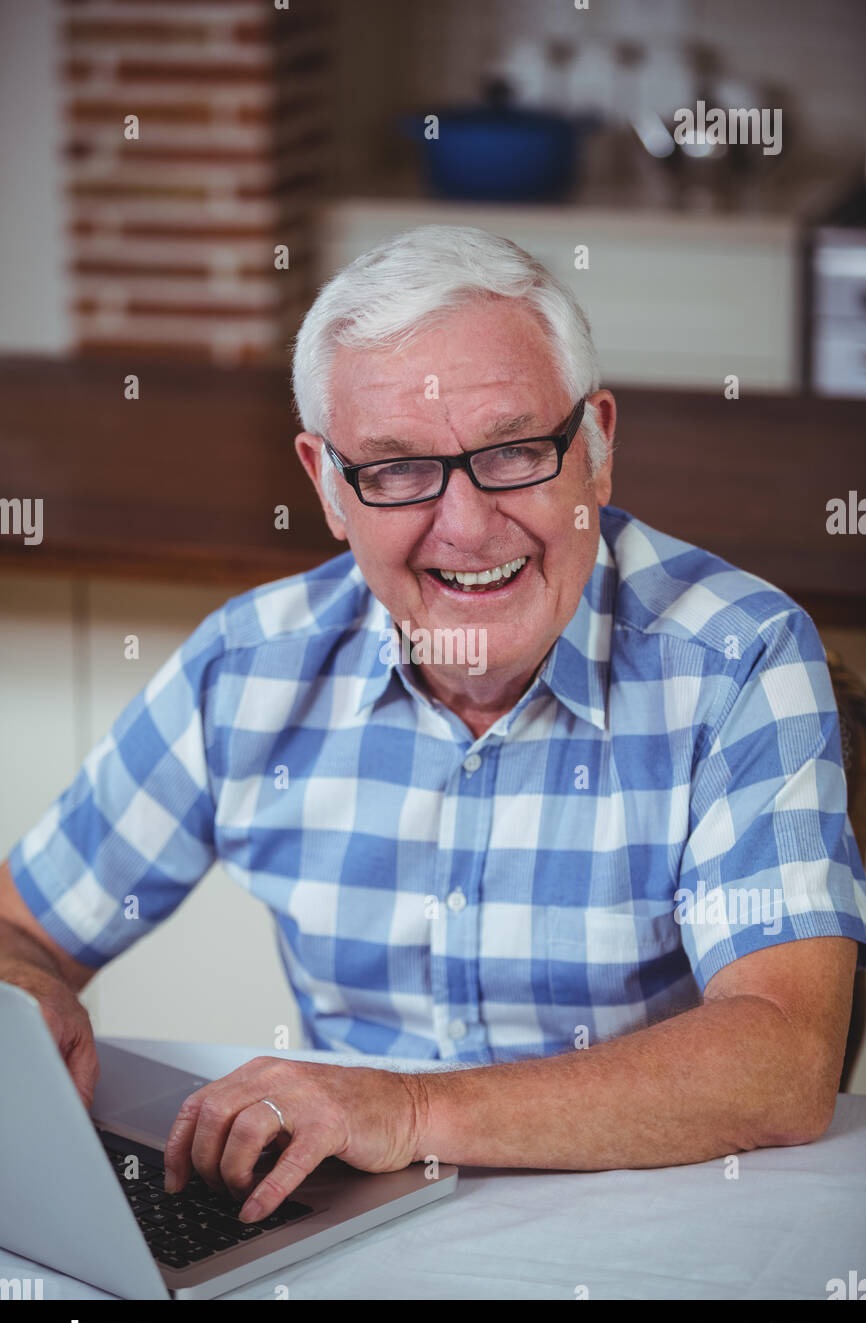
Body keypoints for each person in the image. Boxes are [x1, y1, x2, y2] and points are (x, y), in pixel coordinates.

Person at [2, 225, 864, 1226]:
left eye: (510, 452)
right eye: (397, 468)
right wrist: (32, 991)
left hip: (655, 1234)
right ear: (325, 482)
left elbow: (781, 1059)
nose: (464, 527)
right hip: (335, 1241)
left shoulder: (740, 658)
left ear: (595, 447)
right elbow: (22, 925)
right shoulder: (248, 666)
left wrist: (408, 1109)